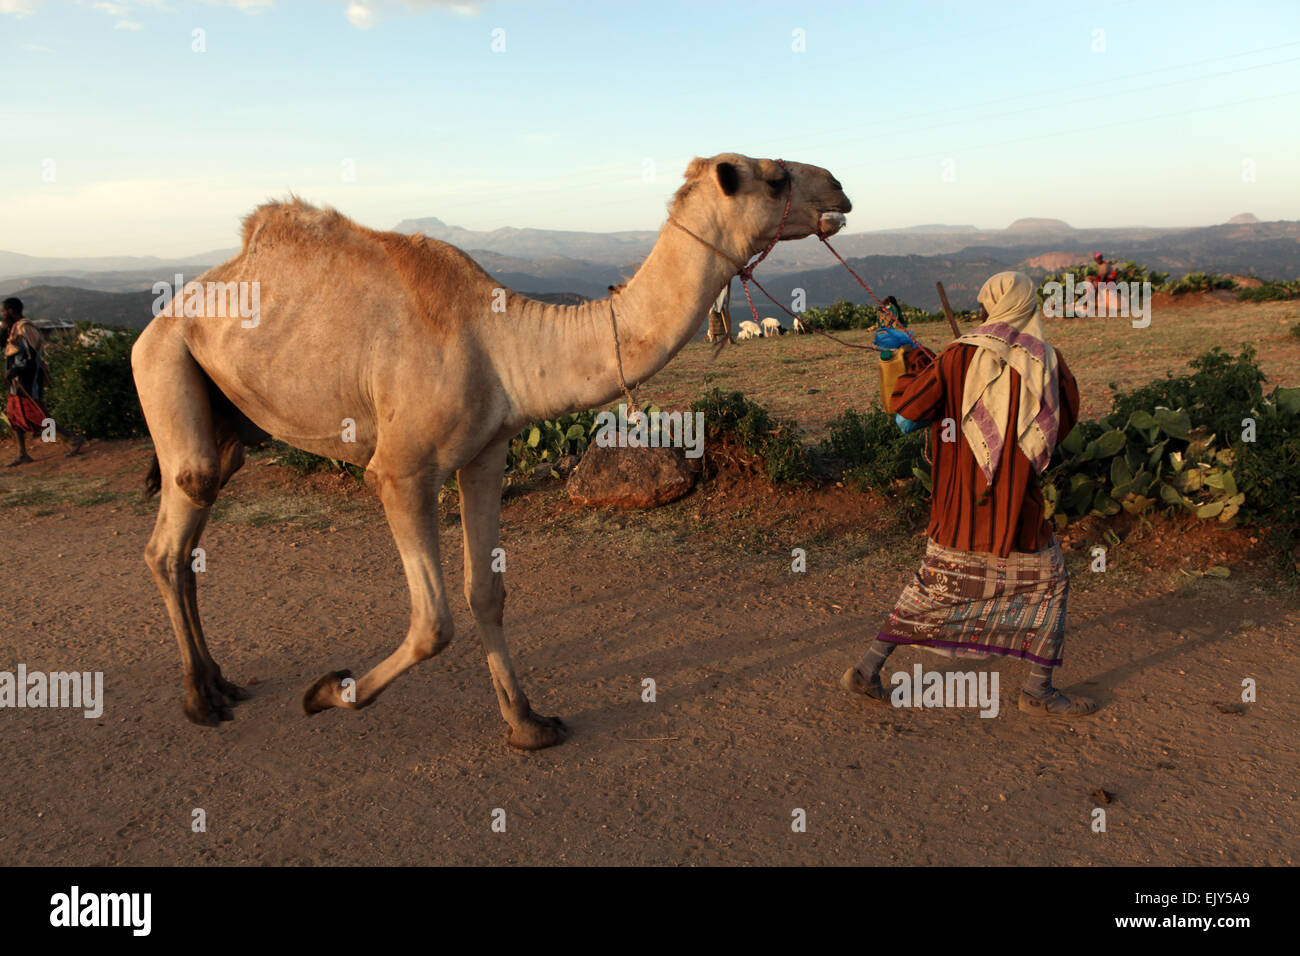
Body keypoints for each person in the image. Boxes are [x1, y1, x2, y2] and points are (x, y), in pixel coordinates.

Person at [841, 271, 1097, 718]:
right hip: (1016, 507)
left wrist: (904, 354)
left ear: (987, 306)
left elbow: (910, 408)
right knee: (1049, 583)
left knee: (934, 589)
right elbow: (1065, 420)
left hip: (959, 504)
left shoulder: (957, 357)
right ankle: (1038, 691)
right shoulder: (1048, 361)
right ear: (1028, 306)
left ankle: (868, 669)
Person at [3, 297, 84, 465]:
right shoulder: (13, 329)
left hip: (27, 379)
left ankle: (73, 439)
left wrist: (16, 370)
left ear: (11, 311)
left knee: (37, 415)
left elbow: (33, 358)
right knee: (13, 415)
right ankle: (22, 454)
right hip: (16, 380)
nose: (2, 314)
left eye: (4, 311)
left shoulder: (25, 328)